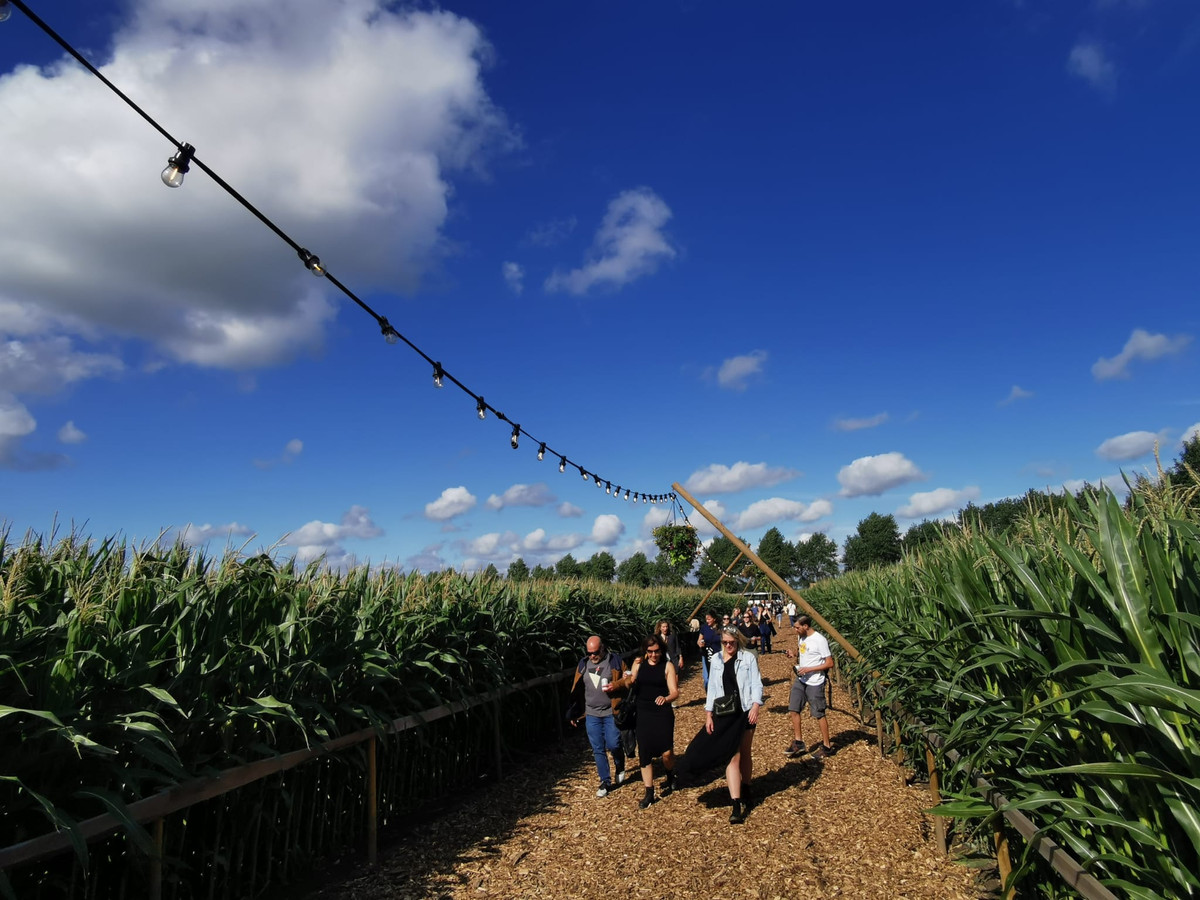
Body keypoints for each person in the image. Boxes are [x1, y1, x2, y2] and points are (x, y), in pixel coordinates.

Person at [676, 627, 763, 824]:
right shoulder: (715, 660)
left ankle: (747, 787)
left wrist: (756, 705)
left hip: (745, 710)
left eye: (731, 642)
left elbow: (756, 683)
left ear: (737, 640)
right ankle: (736, 803)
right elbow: (713, 688)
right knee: (733, 756)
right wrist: (708, 714)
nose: (728, 645)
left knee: (745, 752)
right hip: (724, 713)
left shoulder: (747, 658)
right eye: (725, 642)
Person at [570, 635, 631, 797]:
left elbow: (630, 679)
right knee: (597, 748)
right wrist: (574, 711)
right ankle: (605, 781)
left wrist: (616, 684)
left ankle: (619, 764)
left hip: (611, 712)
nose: (592, 656)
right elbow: (576, 691)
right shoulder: (583, 664)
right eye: (589, 652)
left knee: (613, 744)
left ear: (602, 648)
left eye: (595, 652)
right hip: (591, 714)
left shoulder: (615, 662)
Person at [628, 633, 680, 808]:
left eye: (656, 651)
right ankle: (649, 792)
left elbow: (675, 691)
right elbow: (631, 684)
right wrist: (631, 672)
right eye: (650, 651)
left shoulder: (668, 666)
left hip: (662, 712)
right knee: (644, 753)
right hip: (643, 712)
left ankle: (670, 773)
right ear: (645, 651)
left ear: (661, 650)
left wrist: (666, 699)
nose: (653, 655)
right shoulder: (640, 665)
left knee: (667, 752)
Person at [784, 616, 834, 759]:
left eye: (797, 627)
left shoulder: (820, 640)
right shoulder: (802, 637)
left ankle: (827, 746)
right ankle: (799, 742)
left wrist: (810, 669)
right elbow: (803, 653)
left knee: (819, 713)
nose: (795, 630)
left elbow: (830, 663)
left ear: (806, 626)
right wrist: (794, 654)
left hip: (815, 682)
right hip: (801, 679)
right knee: (794, 709)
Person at [697, 611, 720, 689]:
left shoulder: (720, 628)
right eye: (706, 619)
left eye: (709, 619)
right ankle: (709, 694)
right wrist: (700, 643)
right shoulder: (704, 627)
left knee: (717, 676)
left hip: (717, 654)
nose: (707, 621)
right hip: (706, 654)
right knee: (707, 678)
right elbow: (699, 640)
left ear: (714, 619)